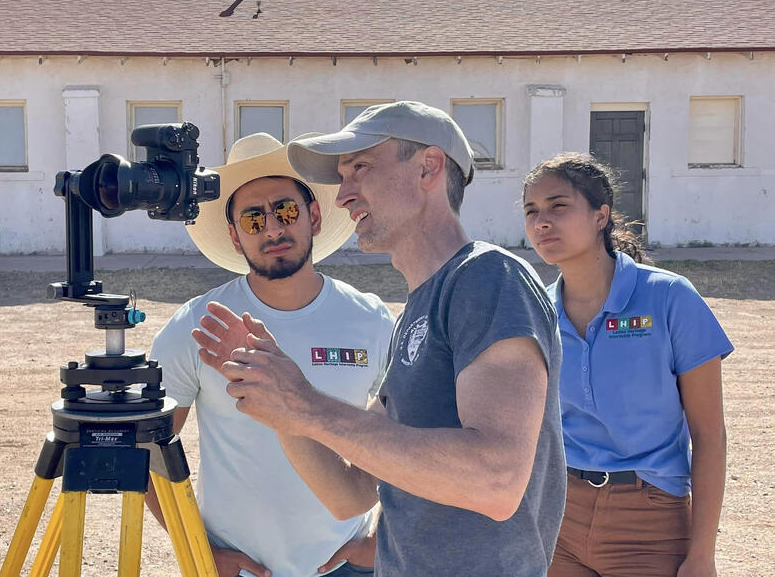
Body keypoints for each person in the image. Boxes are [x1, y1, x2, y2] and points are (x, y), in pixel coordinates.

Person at [206, 101, 566, 577]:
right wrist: (276, 404)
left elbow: (495, 481)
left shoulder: (488, 278)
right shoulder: (418, 309)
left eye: (360, 168)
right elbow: (348, 493)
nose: (342, 196)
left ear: (428, 168)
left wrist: (305, 405)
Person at [147, 132, 395, 577]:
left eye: (285, 211)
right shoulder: (200, 323)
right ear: (235, 235)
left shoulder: (371, 320)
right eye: (254, 219)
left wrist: (384, 535)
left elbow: (403, 438)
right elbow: (147, 447)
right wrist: (198, 547)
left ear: (314, 216)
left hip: (347, 565)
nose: (275, 229)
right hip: (239, 567)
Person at [521, 153, 732, 577]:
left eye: (558, 206)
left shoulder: (670, 298)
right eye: (531, 211)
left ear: (602, 216)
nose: (542, 221)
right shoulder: (536, 310)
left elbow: (709, 435)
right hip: (558, 515)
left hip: (650, 520)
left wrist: (702, 554)